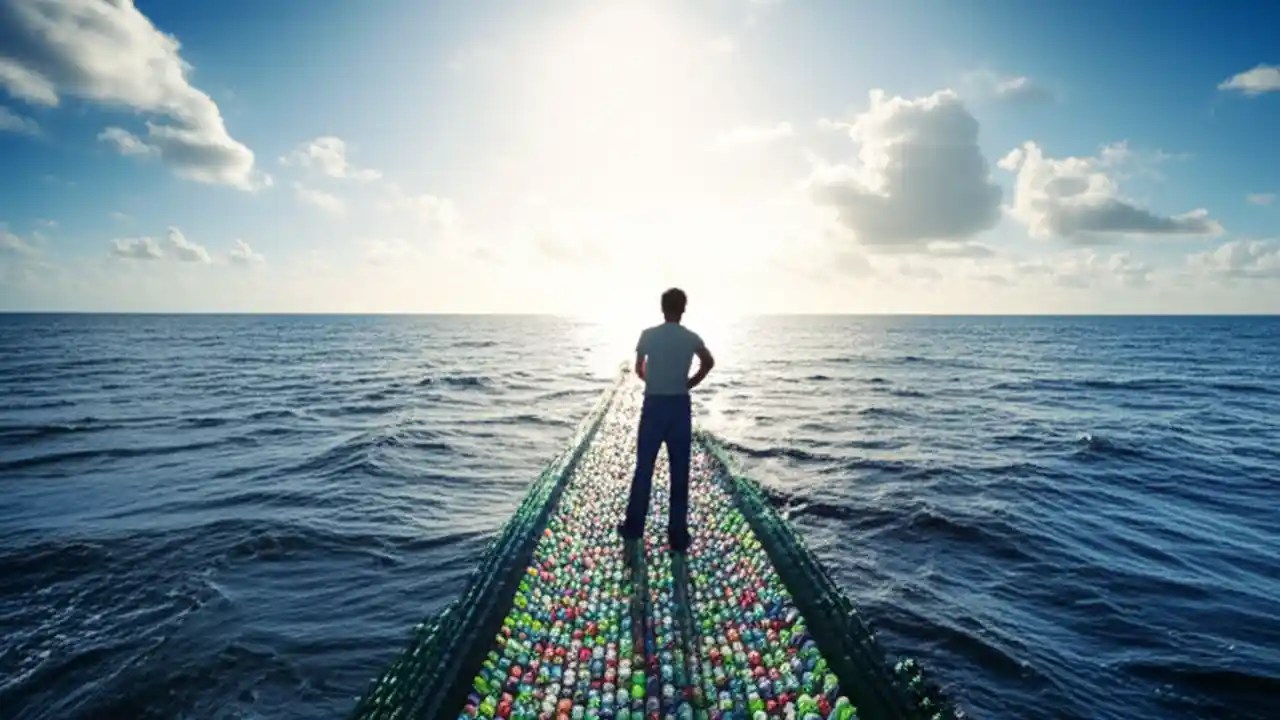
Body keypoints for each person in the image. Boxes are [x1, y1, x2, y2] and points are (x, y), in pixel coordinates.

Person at [619, 287, 715, 556]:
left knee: (644, 467)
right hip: (679, 406)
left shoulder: (648, 336)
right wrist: (689, 383)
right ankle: (677, 534)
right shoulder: (691, 338)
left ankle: (634, 527)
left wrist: (653, 381)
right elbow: (709, 361)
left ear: (662, 308)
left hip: (654, 405)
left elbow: (639, 368)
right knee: (679, 470)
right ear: (683, 308)